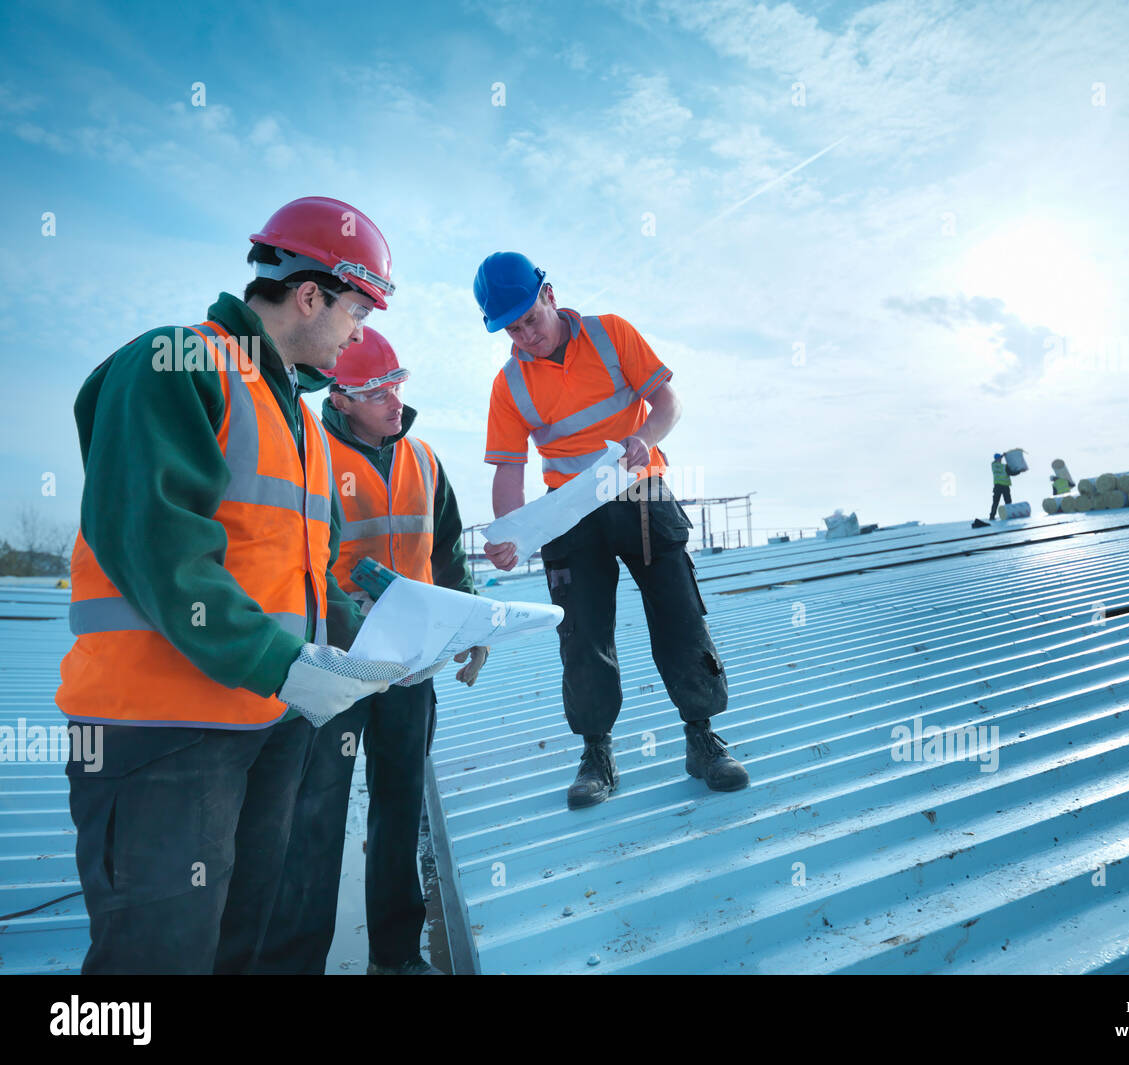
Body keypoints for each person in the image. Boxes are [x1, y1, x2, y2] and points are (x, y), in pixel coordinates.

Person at [56, 196, 410, 974]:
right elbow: (159, 549)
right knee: (156, 966)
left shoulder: (297, 423)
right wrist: (283, 665)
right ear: (309, 294)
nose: (359, 333)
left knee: (237, 952)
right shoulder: (175, 363)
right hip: (162, 735)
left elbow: (302, 578)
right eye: (356, 308)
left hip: (265, 721)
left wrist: (397, 637)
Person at [474, 252, 747, 809]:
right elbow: (509, 469)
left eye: (530, 318)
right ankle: (596, 754)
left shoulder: (611, 334)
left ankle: (703, 739)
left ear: (548, 295)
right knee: (582, 635)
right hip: (568, 516)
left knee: (679, 617)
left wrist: (645, 436)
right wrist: (510, 534)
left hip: (642, 497)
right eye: (511, 329)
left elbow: (668, 401)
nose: (526, 336)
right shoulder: (510, 385)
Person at [258, 328, 488, 975]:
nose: (394, 402)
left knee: (400, 807)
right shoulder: (312, 456)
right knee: (315, 818)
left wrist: (469, 628)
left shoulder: (425, 460)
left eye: (398, 387)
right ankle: (293, 962)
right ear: (343, 396)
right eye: (377, 391)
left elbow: (448, 557)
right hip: (336, 670)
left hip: (409, 670)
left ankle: (395, 955)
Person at [990, 452, 1013, 520]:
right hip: (998, 486)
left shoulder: (1004, 466)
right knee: (996, 501)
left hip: (1005, 486)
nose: (1000, 459)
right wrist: (1002, 455)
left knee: (1008, 501)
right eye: (999, 458)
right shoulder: (994, 465)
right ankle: (992, 516)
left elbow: (1011, 473)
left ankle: (1009, 513)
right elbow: (995, 461)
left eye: (1000, 458)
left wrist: (1019, 471)